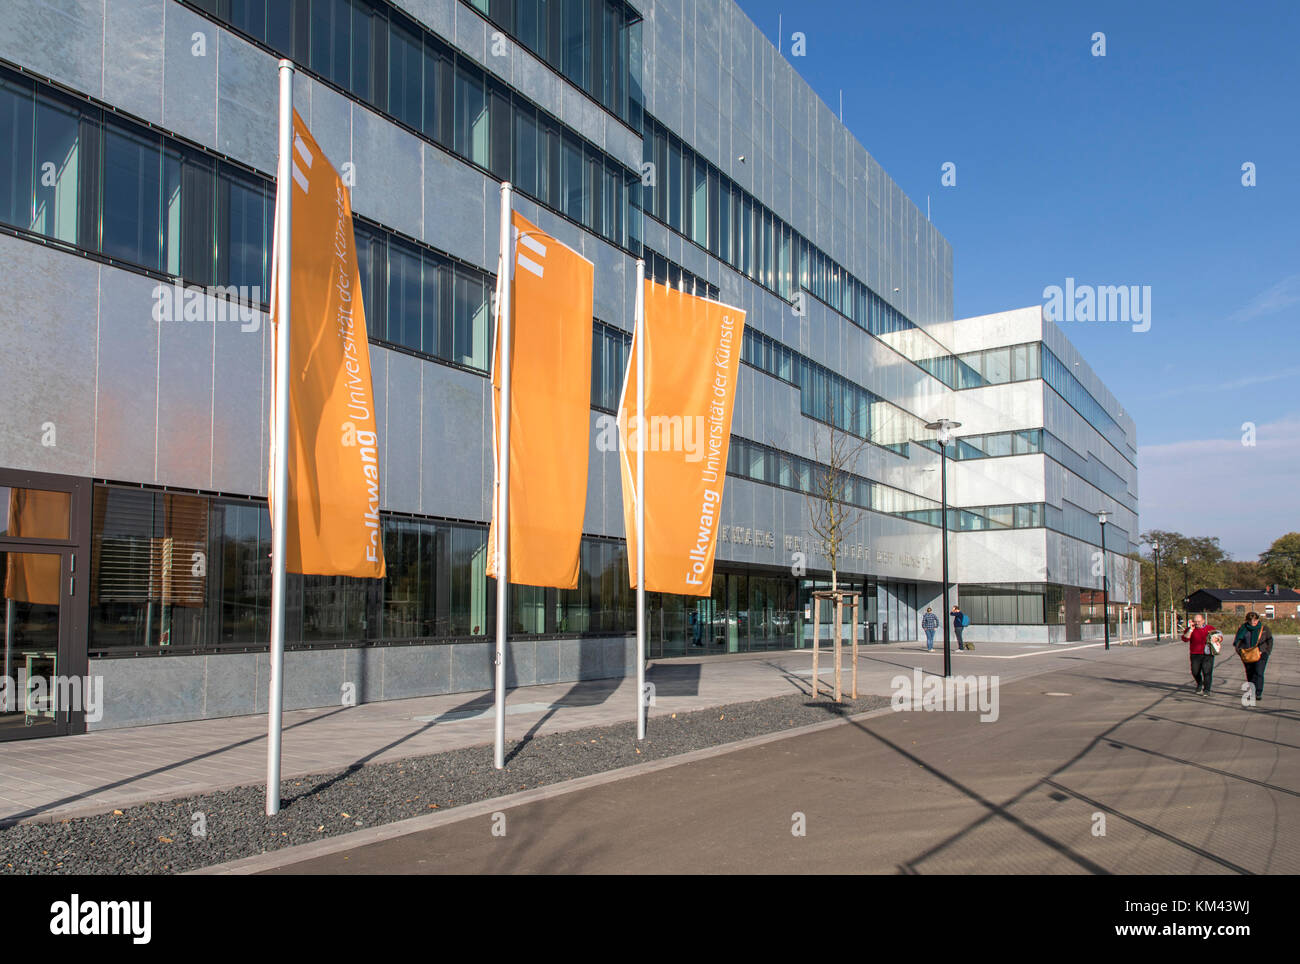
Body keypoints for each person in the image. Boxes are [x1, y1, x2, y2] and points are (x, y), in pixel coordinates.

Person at [1233, 612, 1273, 704]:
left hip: (1261, 654)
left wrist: (1266, 652)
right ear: (1247, 620)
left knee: (1259, 672)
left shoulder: (1264, 629)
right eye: (1251, 620)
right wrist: (1240, 652)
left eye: (1255, 620)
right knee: (1250, 673)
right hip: (1247, 654)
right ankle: (1252, 691)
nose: (1253, 622)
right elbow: (1237, 641)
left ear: (1258, 619)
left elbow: (1270, 640)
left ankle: (1258, 692)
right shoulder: (1243, 629)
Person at [1181, 613, 1219, 695]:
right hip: (1195, 654)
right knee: (1195, 671)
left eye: (1199, 621)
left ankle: (1207, 689)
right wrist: (1191, 630)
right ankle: (1199, 683)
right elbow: (1185, 639)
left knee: (1207, 672)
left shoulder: (1210, 628)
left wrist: (1215, 639)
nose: (1197, 623)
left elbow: (1218, 638)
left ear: (1203, 621)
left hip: (1208, 654)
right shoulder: (1190, 629)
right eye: (1195, 621)